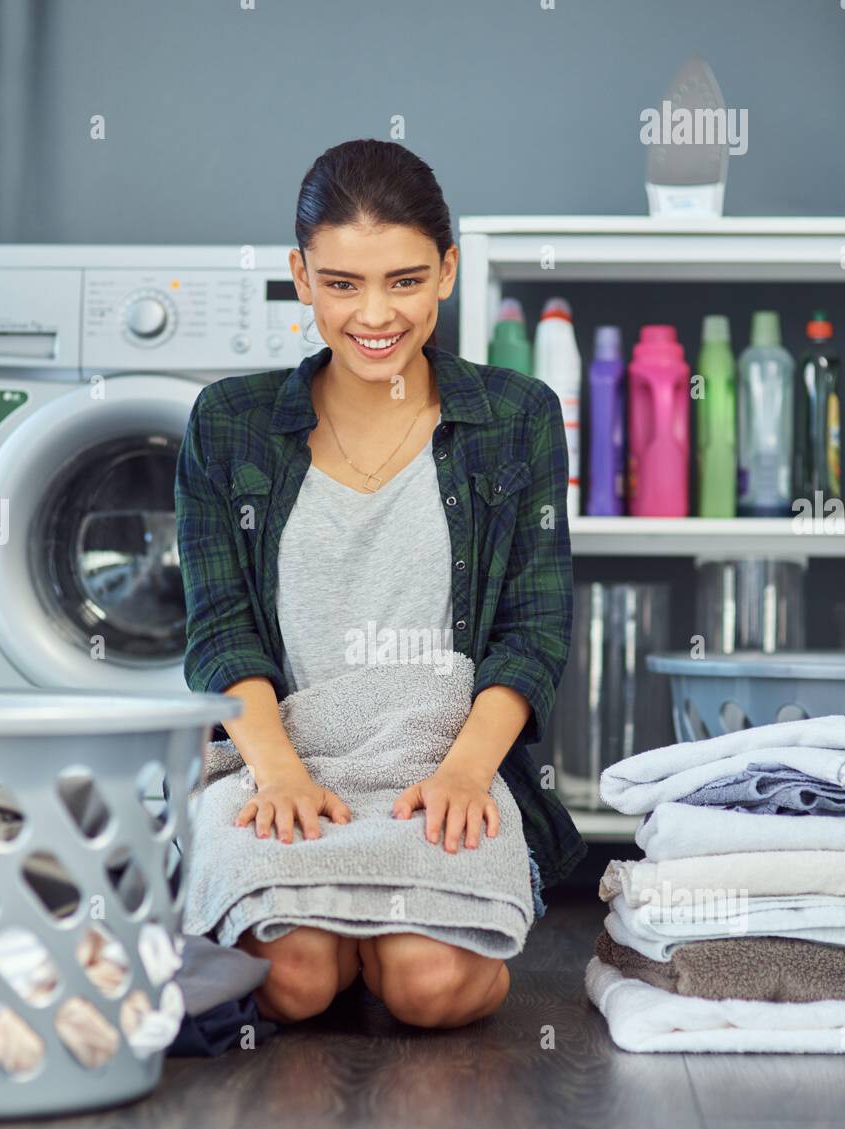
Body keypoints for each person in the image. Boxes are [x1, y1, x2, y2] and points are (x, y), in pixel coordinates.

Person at [175, 138, 586, 1029]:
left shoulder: (516, 418)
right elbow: (219, 628)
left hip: (436, 763)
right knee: (295, 981)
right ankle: (340, 932)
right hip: (278, 757)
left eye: (404, 281)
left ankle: (386, 935)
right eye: (342, 283)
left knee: (427, 988)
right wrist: (278, 774)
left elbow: (536, 628)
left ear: (448, 270)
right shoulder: (231, 423)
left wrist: (470, 775)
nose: (374, 315)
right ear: (301, 274)